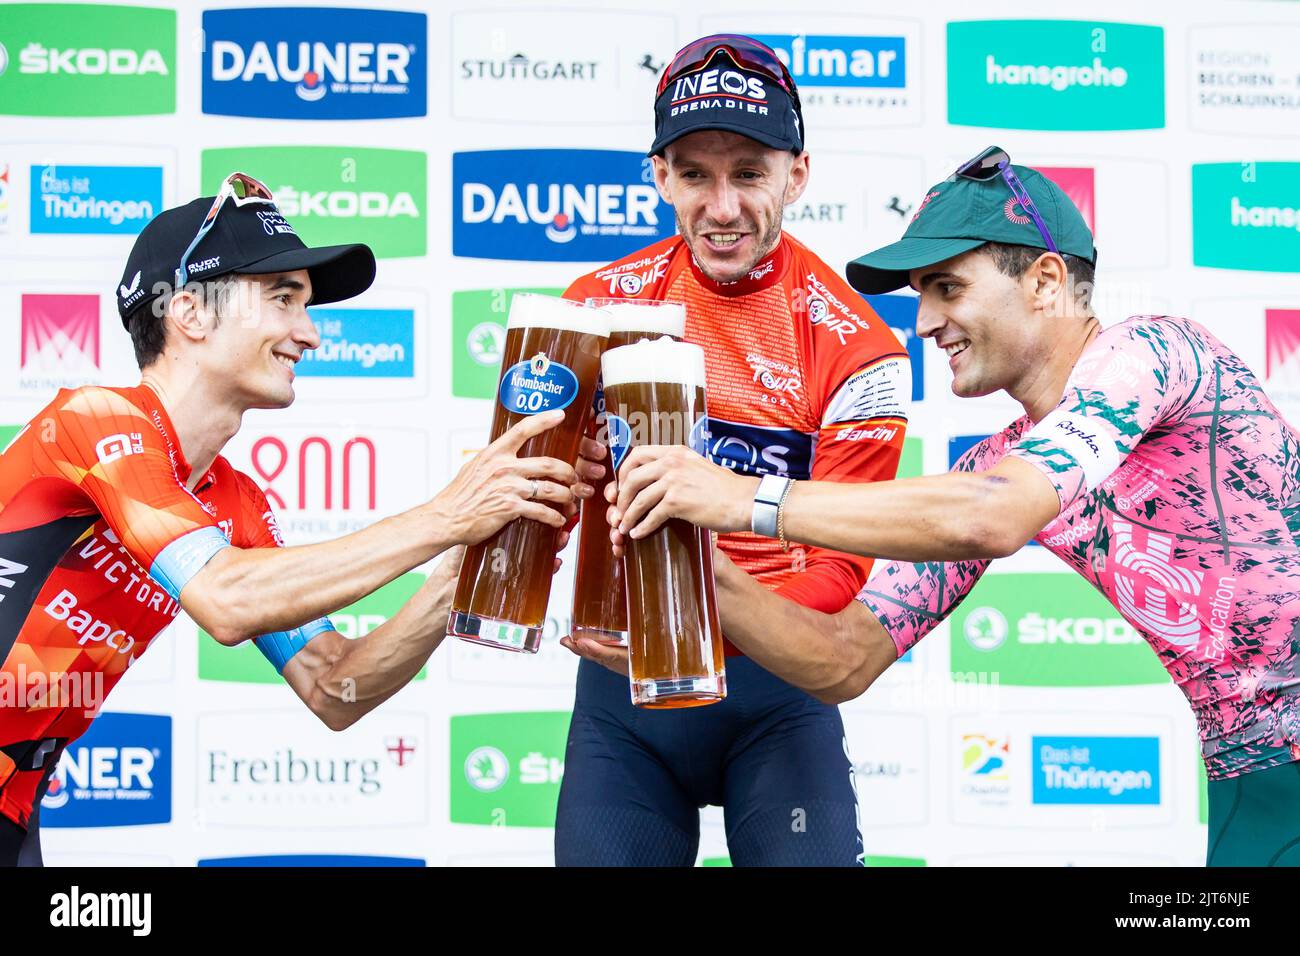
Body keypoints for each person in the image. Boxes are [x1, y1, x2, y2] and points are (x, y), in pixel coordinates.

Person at [605, 145, 1300, 867]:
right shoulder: (996, 467)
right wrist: (705, 579)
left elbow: (993, 516)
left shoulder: (1150, 353)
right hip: (1251, 775)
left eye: (947, 288)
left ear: (1047, 280)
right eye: (919, 296)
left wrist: (743, 497)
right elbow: (844, 659)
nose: (926, 322)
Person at [0, 174, 582, 865]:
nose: (309, 333)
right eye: (283, 300)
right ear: (188, 312)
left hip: (16, 810)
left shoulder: (233, 500)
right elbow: (224, 598)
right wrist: (447, 515)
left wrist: (458, 575)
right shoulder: (95, 421)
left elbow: (334, 686)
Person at [557, 35, 912, 867]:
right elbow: (531, 507)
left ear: (797, 174)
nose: (722, 206)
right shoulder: (594, 306)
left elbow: (839, 571)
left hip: (778, 693)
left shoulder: (860, 346)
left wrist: (716, 609)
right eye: (695, 174)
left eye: (749, 172)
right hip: (626, 694)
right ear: (659, 177)